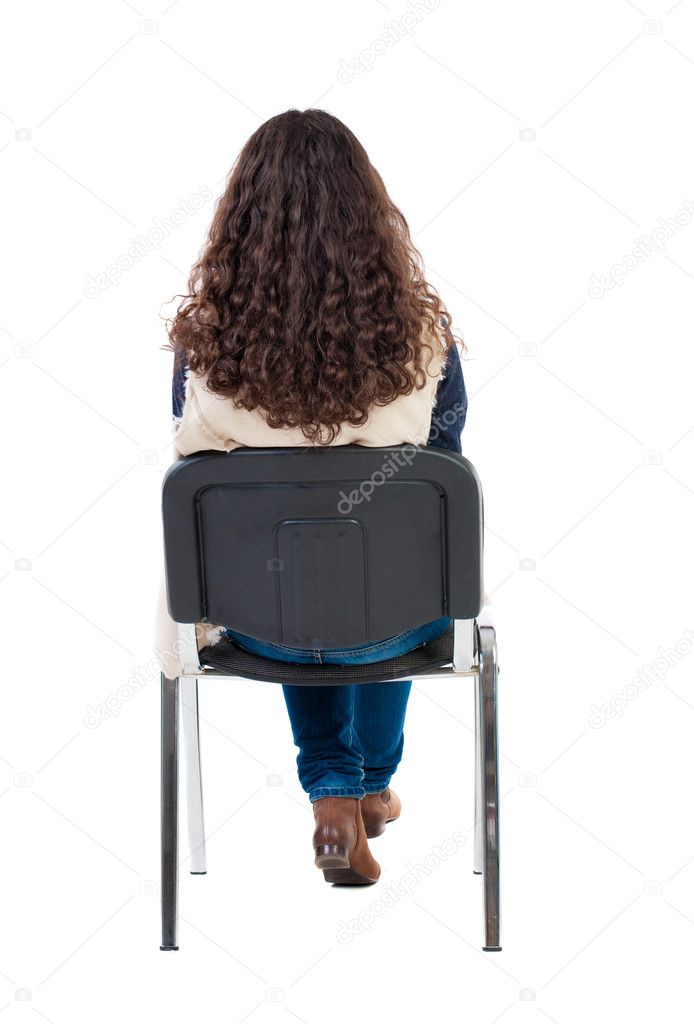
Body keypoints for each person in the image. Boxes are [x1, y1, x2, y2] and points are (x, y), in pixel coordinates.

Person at [165, 109, 467, 887]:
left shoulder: (203, 344)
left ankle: (334, 796)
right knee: (400, 566)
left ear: (242, 219)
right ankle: (364, 786)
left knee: (290, 577)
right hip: (391, 620)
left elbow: (189, 455)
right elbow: (441, 490)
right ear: (370, 217)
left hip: (257, 626)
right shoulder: (427, 340)